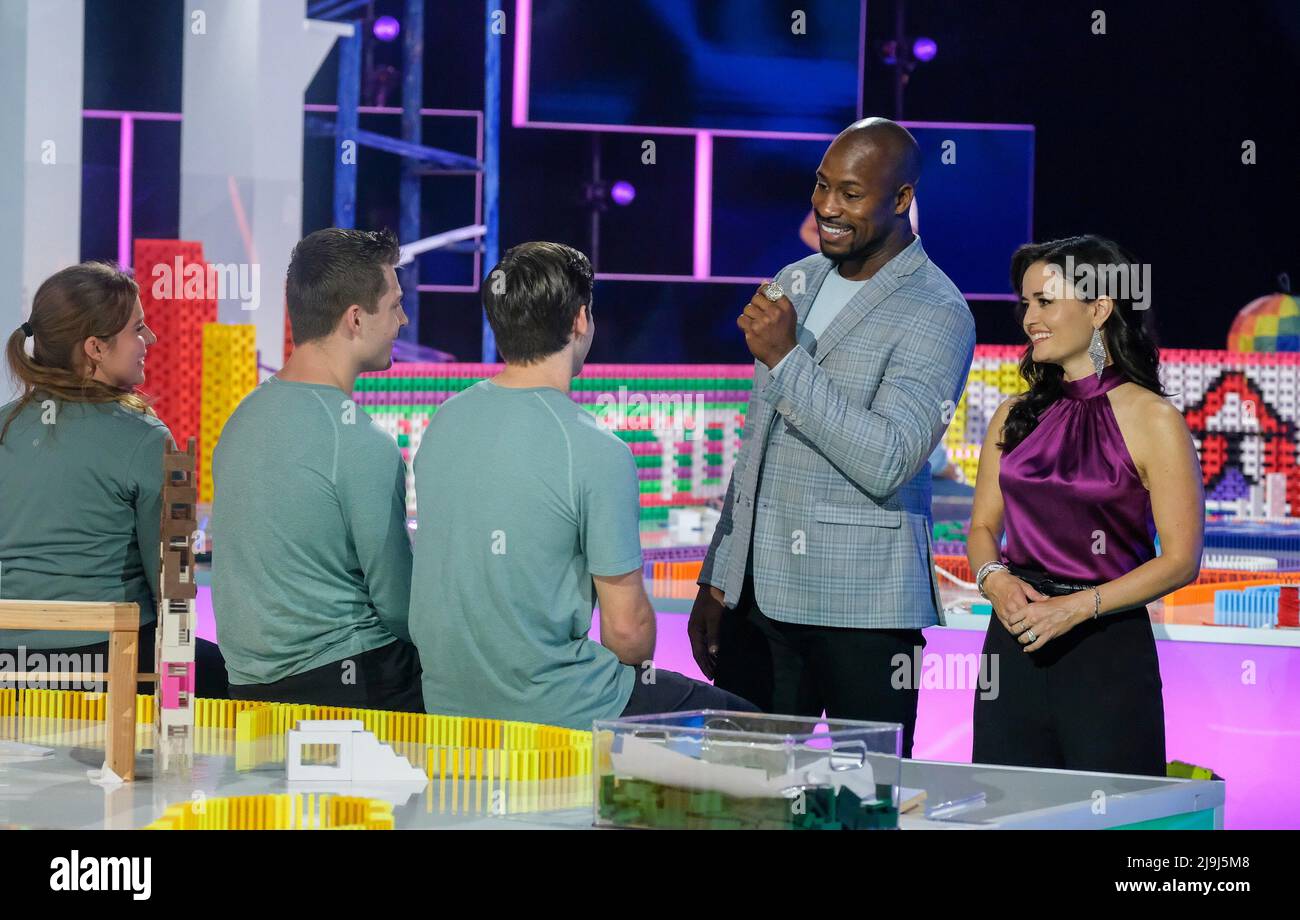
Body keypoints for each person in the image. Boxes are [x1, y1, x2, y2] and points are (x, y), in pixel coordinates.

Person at [688, 118, 976, 756]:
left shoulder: (938, 309)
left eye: (850, 193)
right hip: (757, 608)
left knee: (863, 804)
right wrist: (718, 576)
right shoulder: (796, 279)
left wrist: (788, 360)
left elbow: (889, 457)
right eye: (821, 187)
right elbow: (757, 447)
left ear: (901, 199)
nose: (826, 208)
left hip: (864, 614)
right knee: (739, 797)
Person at [409, 241, 756, 731]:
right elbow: (628, 633)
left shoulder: (443, 422)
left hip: (446, 705)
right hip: (559, 707)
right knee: (763, 730)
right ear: (580, 320)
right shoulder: (596, 448)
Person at [968, 235, 1202, 776]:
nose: (1029, 318)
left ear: (1099, 308)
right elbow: (982, 526)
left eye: (1045, 301)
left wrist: (1076, 607)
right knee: (1006, 813)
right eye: (1025, 303)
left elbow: (1181, 560)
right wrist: (995, 580)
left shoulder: (1154, 419)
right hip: (1013, 642)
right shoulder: (1013, 414)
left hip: (1104, 651)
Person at [212, 228, 422, 711]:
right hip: (350, 684)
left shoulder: (241, 419)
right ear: (355, 318)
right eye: (394, 305)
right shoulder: (360, 440)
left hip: (248, 686)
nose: (402, 320)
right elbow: (400, 608)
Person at [0, 262, 226, 697]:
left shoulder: (5, 427)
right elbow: (171, 583)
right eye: (137, 329)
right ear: (95, 349)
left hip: (12, 656)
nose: (151, 340)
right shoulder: (145, 437)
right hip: (107, 656)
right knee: (232, 675)